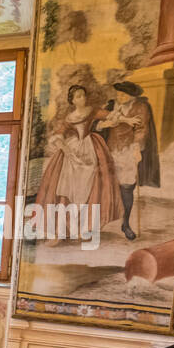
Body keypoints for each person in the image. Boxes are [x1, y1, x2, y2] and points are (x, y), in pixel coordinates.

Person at [33, 84, 122, 243]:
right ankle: (62, 232)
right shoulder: (69, 118)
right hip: (72, 150)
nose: (82, 98)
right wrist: (67, 150)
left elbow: (111, 116)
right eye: (78, 96)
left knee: (91, 189)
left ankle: (85, 228)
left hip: (90, 148)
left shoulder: (92, 111)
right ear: (72, 100)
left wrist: (125, 119)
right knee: (66, 189)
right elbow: (58, 135)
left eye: (83, 95)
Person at [97, 80, 159, 240]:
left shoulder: (140, 107)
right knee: (104, 187)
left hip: (128, 150)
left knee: (126, 187)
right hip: (109, 150)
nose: (119, 96)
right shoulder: (111, 106)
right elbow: (97, 123)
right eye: (118, 93)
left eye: (123, 94)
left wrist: (137, 148)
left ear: (132, 96)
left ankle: (125, 224)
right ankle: (99, 222)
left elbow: (141, 130)